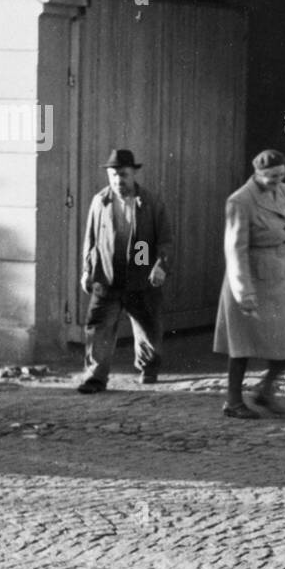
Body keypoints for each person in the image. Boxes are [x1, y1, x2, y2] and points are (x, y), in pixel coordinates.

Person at [214, 149, 285, 419]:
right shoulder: (240, 201)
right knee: (243, 344)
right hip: (250, 277)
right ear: (257, 174)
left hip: (279, 277)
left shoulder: (283, 191)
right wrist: (244, 293)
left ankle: (265, 392)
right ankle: (233, 402)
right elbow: (235, 250)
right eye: (270, 177)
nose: (276, 181)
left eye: (280, 175)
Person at [77, 149, 173, 394]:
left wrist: (159, 266)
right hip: (108, 276)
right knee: (99, 327)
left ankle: (148, 367)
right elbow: (91, 239)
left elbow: (164, 240)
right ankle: (95, 378)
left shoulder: (150, 202)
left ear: (134, 174)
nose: (119, 180)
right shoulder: (101, 201)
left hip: (140, 276)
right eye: (114, 175)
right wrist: (87, 270)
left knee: (148, 327)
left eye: (124, 175)